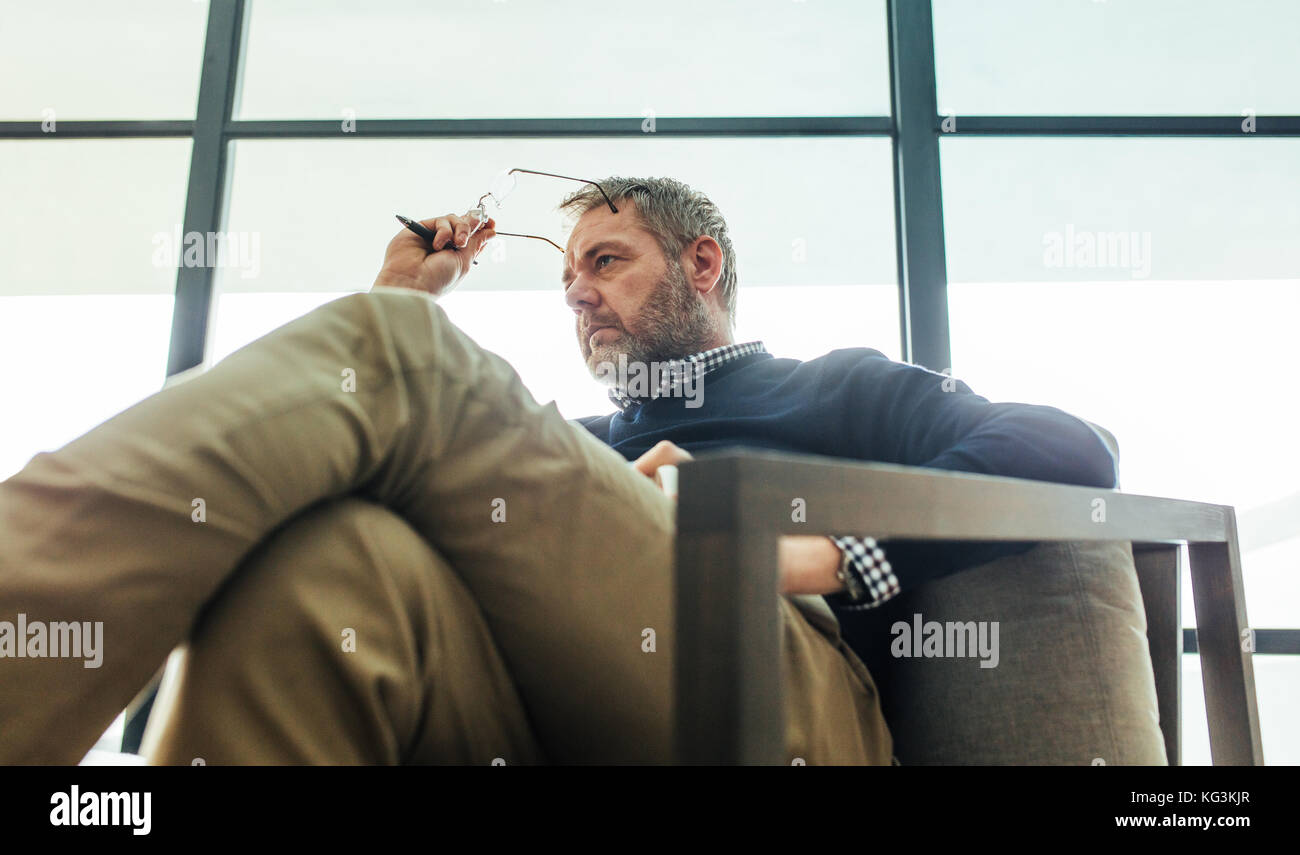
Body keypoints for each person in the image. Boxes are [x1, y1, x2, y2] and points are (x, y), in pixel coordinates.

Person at [0, 176, 1115, 766]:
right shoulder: (577, 438)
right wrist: (407, 290)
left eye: (607, 262)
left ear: (701, 265)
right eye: (566, 276)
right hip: (540, 704)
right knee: (331, 571)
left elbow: (1067, 447)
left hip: (783, 705)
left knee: (409, 358)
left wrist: (810, 550)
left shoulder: (830, 387)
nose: (577, 292)